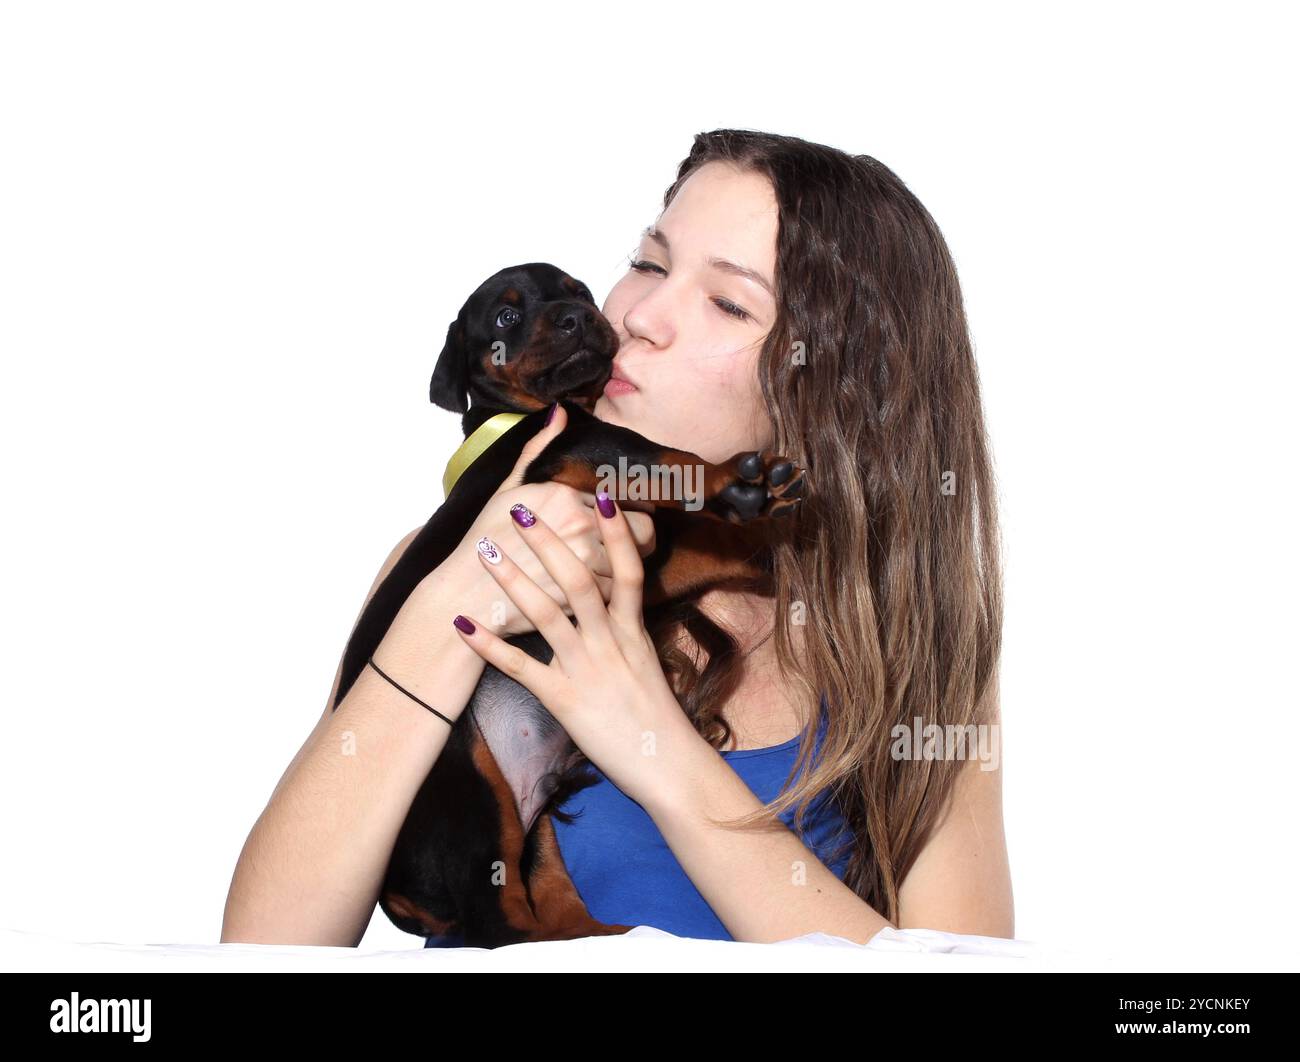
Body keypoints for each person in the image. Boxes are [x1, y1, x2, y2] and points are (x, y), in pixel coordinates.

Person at [222, 129, 1013, 948]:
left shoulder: (907, 650)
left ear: (831, 386)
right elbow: (264, 957)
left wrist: (657, 748)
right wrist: (457, 602)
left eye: (728, 302)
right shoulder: (437, 571)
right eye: (649, 262)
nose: (639, 316)